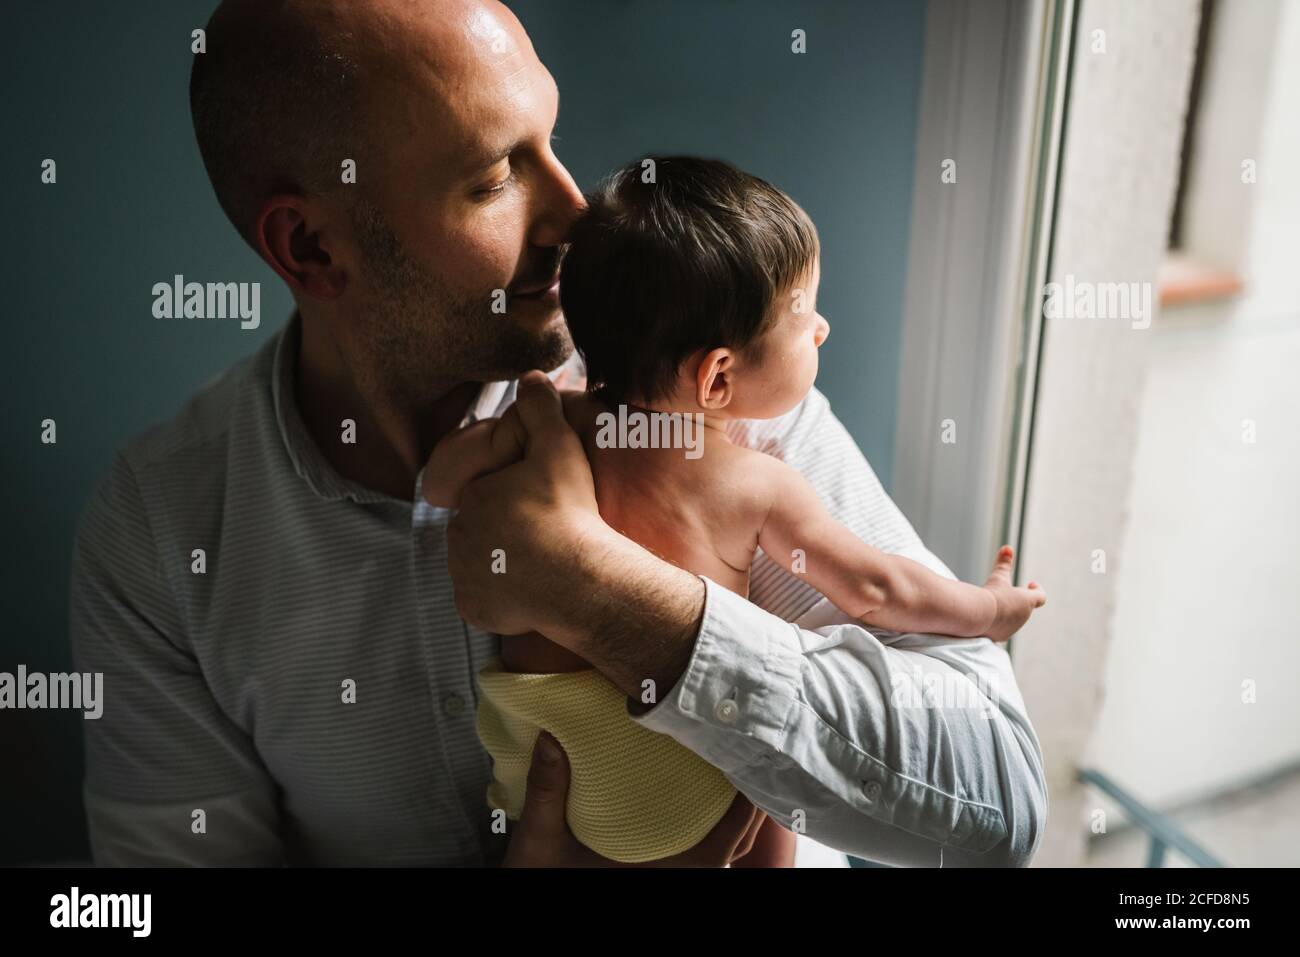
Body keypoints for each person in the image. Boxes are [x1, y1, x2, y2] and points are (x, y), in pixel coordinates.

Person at [70, 0, 1047, 866]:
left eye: (551, 138)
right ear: (313, 247)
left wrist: (616, 602)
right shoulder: (162, 535)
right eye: (496, 175)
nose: (577, 212)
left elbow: (997, 797)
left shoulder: (710, 393)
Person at [425, 157, 1048, 866]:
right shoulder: (757, 484)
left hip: (539, 758)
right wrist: (989, 609)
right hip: (674, 793)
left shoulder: (547, 426)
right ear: (718, 376)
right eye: (804, 314)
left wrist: (504, 429)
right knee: (774, 788)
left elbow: (439, 485)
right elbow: (879, 590)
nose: (822, 329)